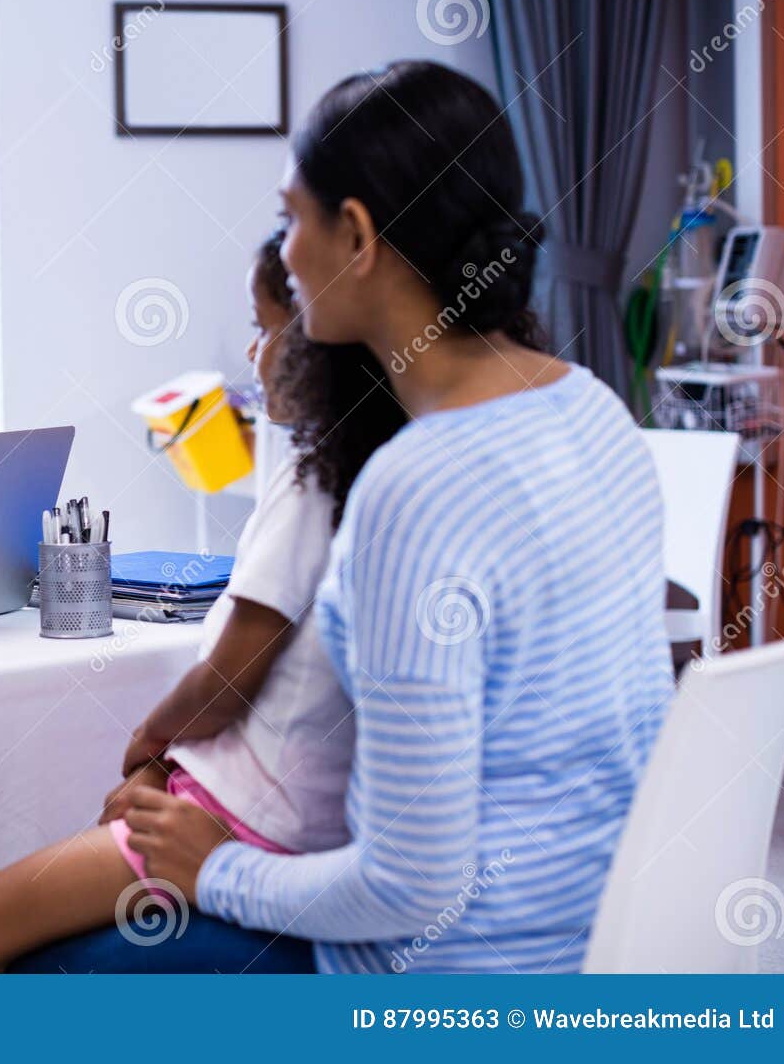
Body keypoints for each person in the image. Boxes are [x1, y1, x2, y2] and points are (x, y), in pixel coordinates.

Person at [62, 60, 674, 973]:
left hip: (446, 978)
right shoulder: (596, 410)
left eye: (290, 220)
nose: (285, 252)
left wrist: (214, 868)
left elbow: (407, 886)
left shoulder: (415, 487)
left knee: (23, 962)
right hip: (603, 941)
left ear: (354, 234)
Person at [0, 232, 406, 973]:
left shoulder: (316, 477)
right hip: (257, 805)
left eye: (265, 329)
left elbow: (233, 671)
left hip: (238, 821)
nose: (253, 356)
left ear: (320, 336)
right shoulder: (369, 466)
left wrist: (147, 743)